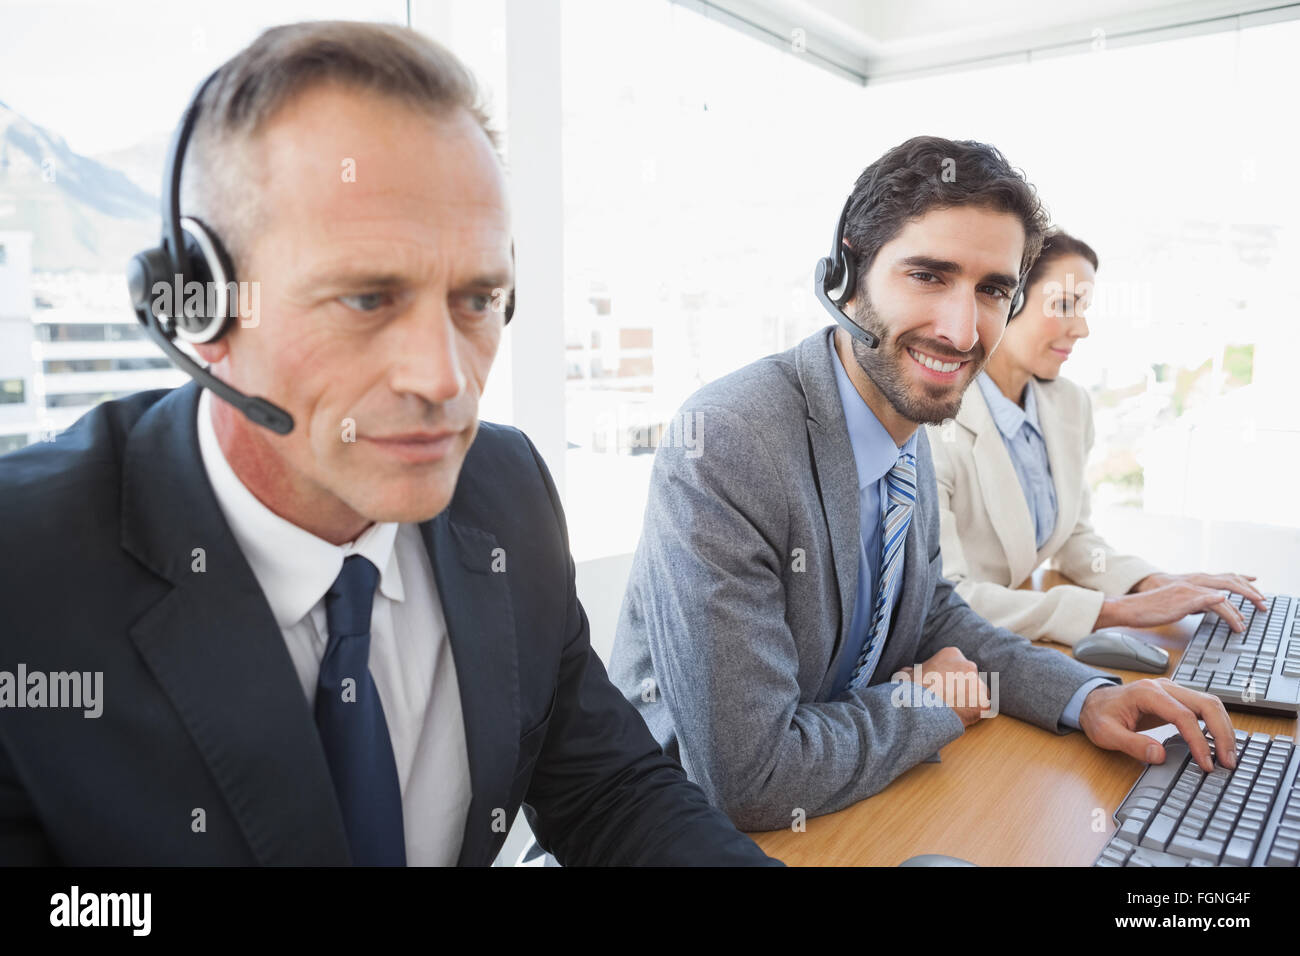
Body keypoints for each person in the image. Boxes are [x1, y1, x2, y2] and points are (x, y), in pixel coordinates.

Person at [0, 21, 775, 866]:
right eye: (368, 299)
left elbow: (607, 791)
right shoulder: (26, 571)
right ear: (201, 309)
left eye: (477, 300)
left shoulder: (505, 490)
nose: (444, 379)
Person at [608, 136, 1239, 833]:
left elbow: (931, 614)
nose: (962, 330)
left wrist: (1085, 696)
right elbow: (750, 778)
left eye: (993, 290)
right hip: (676, 834)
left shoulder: (909, 428)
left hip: (834, 814)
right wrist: (927, 704)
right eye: (930, 276)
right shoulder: (730, 444)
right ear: (848, 271)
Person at [924, 229, 1267, 646]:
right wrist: (1120, 612)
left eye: (1083, 309)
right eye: (1065, 304)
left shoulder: (1067, 404)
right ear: (1007, 299)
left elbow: (1072, 538)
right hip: (956, 651)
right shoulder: (934, 422)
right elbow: (948, 599)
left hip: (1017, 637)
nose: (1082, 328)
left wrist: (1155, 583)